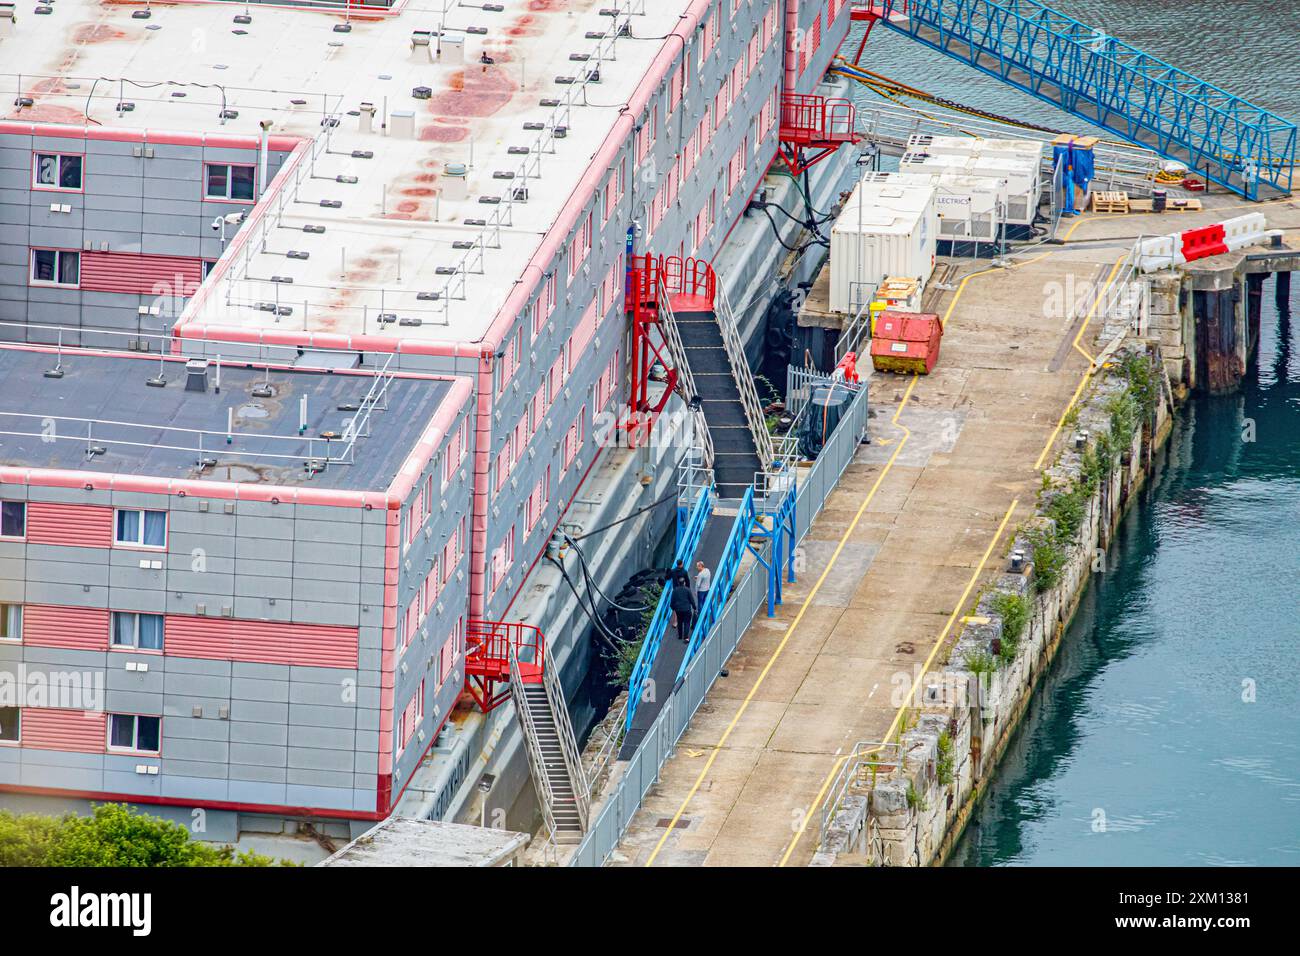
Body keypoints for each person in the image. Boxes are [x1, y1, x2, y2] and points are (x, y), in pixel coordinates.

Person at [667, 560, 697, 643]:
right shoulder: (687, 589)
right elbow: (691, 599)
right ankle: (686, 637)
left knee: (680, 622)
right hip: (686, 609)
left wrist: (673, 608)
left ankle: (680, 635)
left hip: (678, 609)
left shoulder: (675, 590)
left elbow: (672, 601)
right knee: (687, 623)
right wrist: (694, 607)